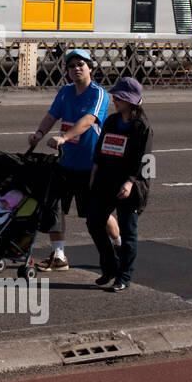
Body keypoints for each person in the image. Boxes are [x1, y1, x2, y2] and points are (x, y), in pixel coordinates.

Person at [26, 48, 113, 271]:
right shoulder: (65, 91)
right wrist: (38, 134)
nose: (76, 69)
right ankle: (59, 255)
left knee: (97, 214)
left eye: (80, 64)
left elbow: (87, 120)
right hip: (65, 163)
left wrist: (64, 137)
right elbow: (52, 114)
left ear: (90, 68)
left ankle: (120, 246)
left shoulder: (98, 93)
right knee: (55, 208)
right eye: (71, 66)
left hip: (90, 166)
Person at [86, 77, 153, 291]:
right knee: (94, 221)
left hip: (129, 187)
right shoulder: (112, 121)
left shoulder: (141, 127)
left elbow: (146, 161)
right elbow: (100, 149)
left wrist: (130, 182)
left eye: (120, 97)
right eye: (116, 95)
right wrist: (94, 173)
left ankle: (124, 276)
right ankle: (110, 266)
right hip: (105, 180)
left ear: (131, 101)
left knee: (128, 232)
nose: (115, 99)